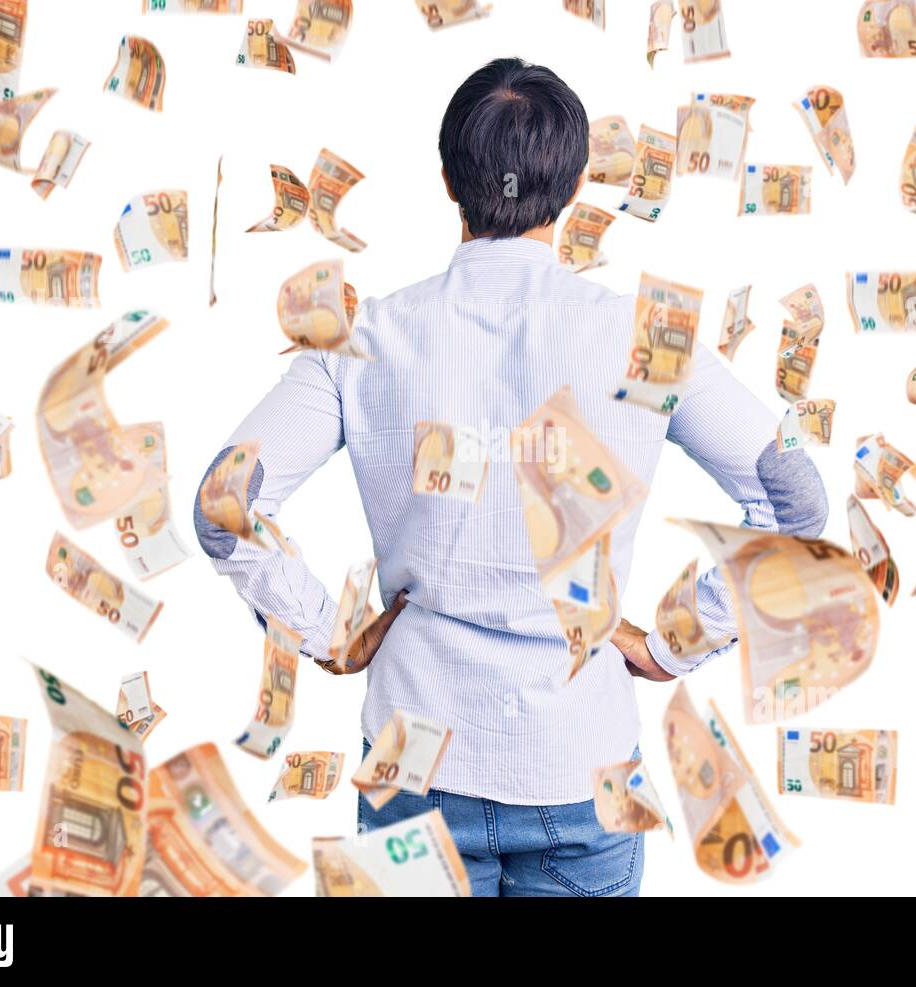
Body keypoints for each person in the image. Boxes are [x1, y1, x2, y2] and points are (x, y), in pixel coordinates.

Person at [195, 57, 828, 897]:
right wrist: (676, 644)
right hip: (584, 767)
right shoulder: (649, 337)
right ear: (572, 189)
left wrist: (325, 634)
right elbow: (797, 501)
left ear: (448, 181)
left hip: (414, 766)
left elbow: (221, 504)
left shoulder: (364, 339)